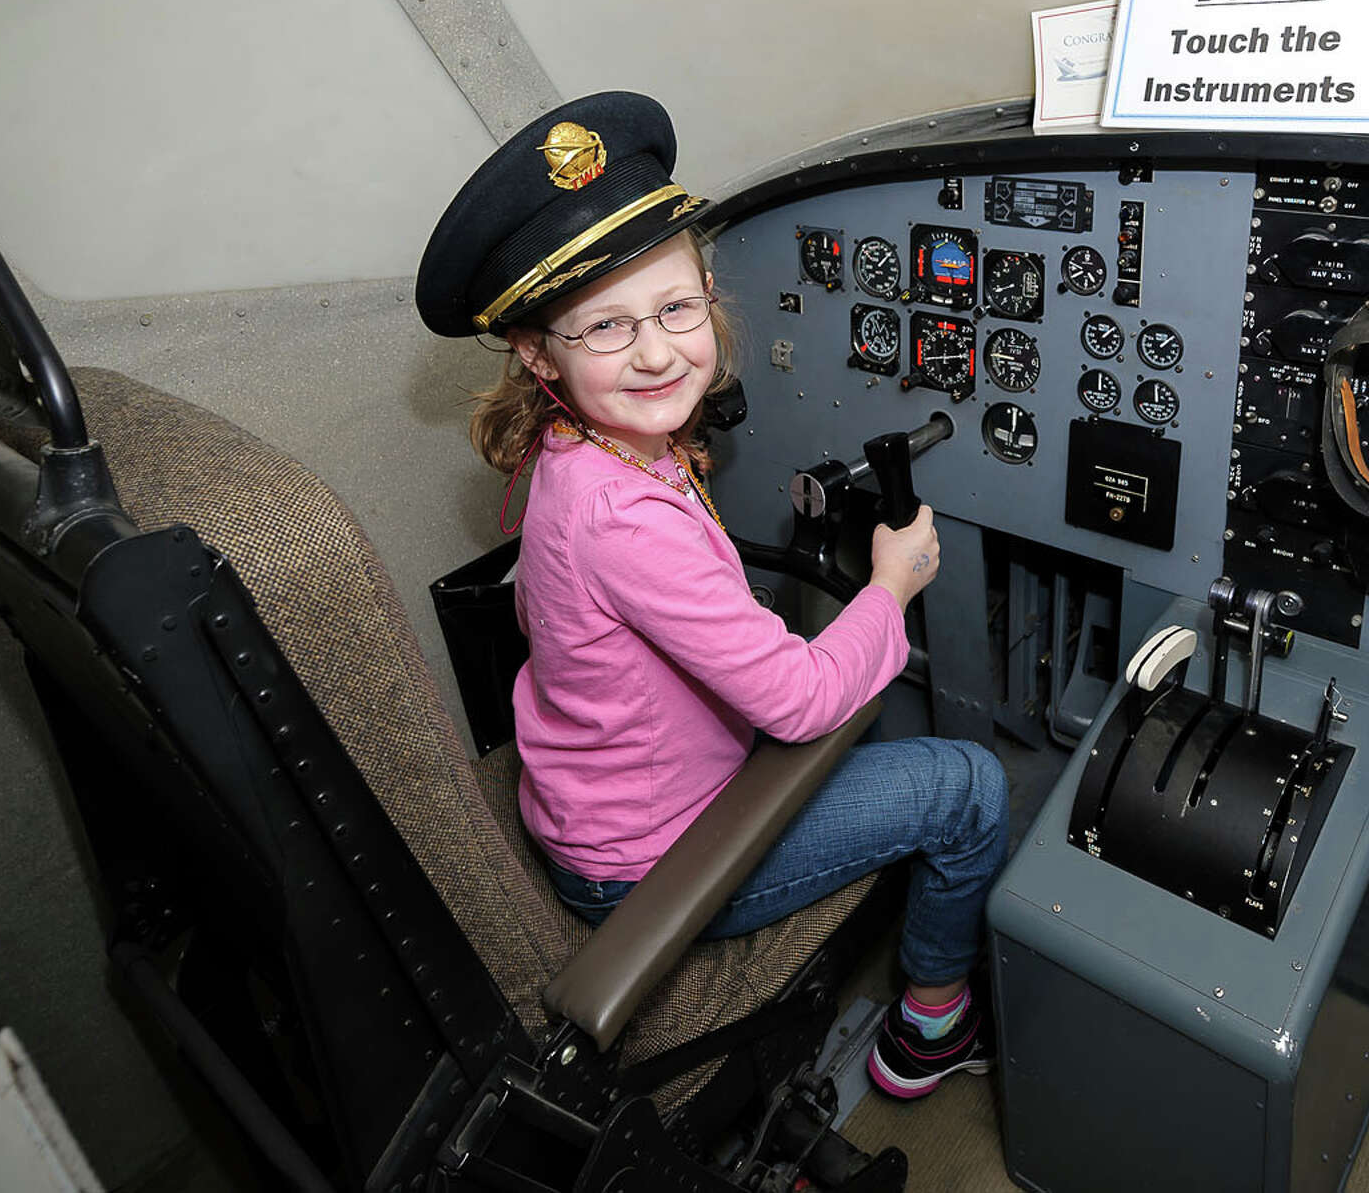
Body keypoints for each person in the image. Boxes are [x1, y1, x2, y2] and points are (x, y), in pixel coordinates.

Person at [415, 90, 1007, 1099]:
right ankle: (928, 1034)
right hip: (650, 863)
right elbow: (807, 702)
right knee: (968, 786)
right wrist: (892, 583)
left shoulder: (583, 447)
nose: (656, 352)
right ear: (535, 350)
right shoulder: (626, 517)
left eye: (676, 308)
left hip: (596, 800)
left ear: (708, 298)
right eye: (604, 325)